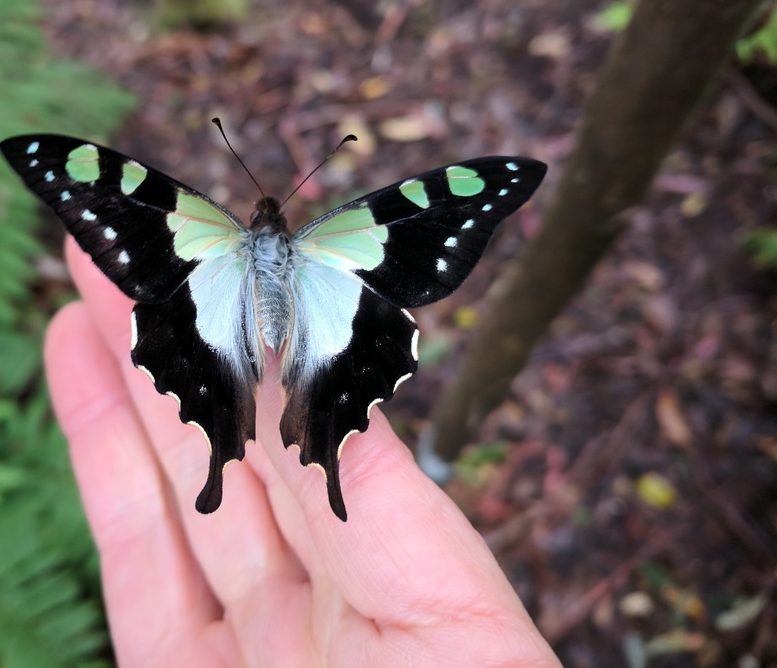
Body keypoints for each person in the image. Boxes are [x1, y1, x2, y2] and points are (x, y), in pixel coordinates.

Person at [45, 237, 562, 667]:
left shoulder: (206, 232)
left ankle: (256, 458)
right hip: (253, 322)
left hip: (289, 327)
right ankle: (253, 454)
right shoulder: (335, 236)